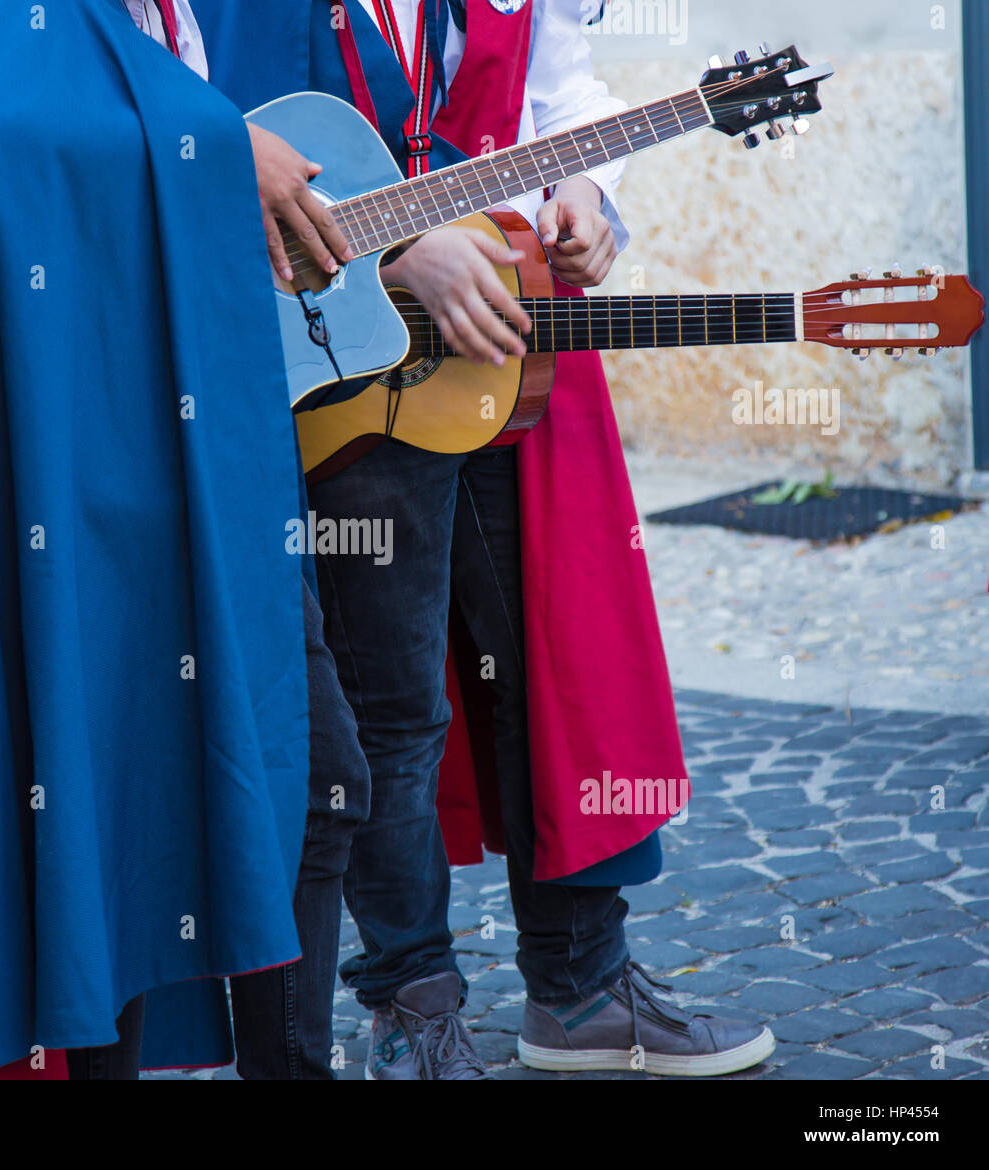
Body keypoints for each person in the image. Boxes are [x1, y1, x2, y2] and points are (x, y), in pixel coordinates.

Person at [194, 0, 774, 1079]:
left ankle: (582, 986)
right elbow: (205, 129)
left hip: (510, 335)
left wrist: (586, 194)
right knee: (393, 706)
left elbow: (564, 94)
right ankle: (409, 1007)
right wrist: (399, 249)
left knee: (558, 669)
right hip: (341, 364)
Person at [0, 0, 366, 1081]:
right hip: (79, 494)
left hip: (175, 483)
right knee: (94, 803)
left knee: (298, 779)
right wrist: (211, 140)